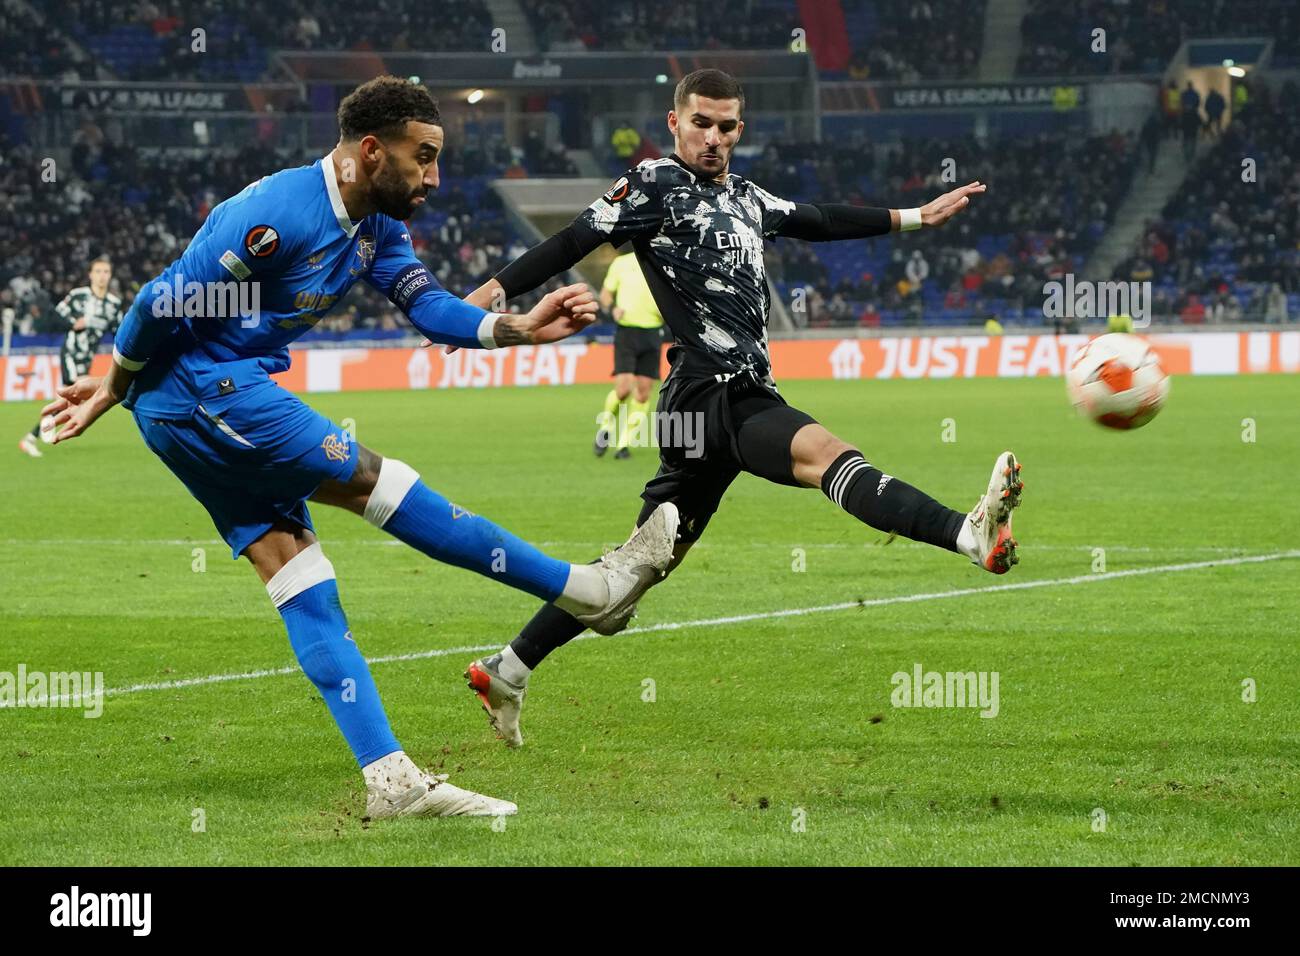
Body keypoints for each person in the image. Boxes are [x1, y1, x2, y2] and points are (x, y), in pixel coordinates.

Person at [40, 75, 679, 819]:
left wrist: (517, 328)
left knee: (300, 577)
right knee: (373, 479)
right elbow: (158, 302)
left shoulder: (376, 226)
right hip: (202, 391)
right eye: (424, 157)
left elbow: (430, 307)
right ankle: (588, 591)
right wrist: (113, 386)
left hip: (210, 402)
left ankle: (392, 781)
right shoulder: (274, 217)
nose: (436, 178)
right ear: (372, 152)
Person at [458, 69, 1024, 748]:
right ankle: (969, 535)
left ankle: (510, 667)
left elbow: (816, 220)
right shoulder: (653, 184)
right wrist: (490, 292)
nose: (714, 138)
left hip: (704, 406)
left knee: (627, 579)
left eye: (727, 127)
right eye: (701, 123)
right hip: (712, 387)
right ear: (675, 123)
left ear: (740, 131)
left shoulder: (749, 198)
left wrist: (913, 216)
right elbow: (572, 240)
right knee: (826, 456)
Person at [19, 256, 123, 458]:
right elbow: (54, 316)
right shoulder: (78, 296)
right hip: (71, 354)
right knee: (75, 397)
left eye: (106, 272)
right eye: (98, 271)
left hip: (87, 357)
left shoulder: (113, 304)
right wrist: (73, 324)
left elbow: (119, 330)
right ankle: (38, 436)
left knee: (68, 401)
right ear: (90, 275)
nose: (102, 276)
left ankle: (34, 437)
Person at [594, 244, 664, 459]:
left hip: (653, 333)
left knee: (643, 393)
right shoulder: (621, 263)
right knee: (623, 389)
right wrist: (612, 308)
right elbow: (605, 295)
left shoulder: (663, 262)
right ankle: (605, 427)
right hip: (627, 332)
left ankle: (623, 445)